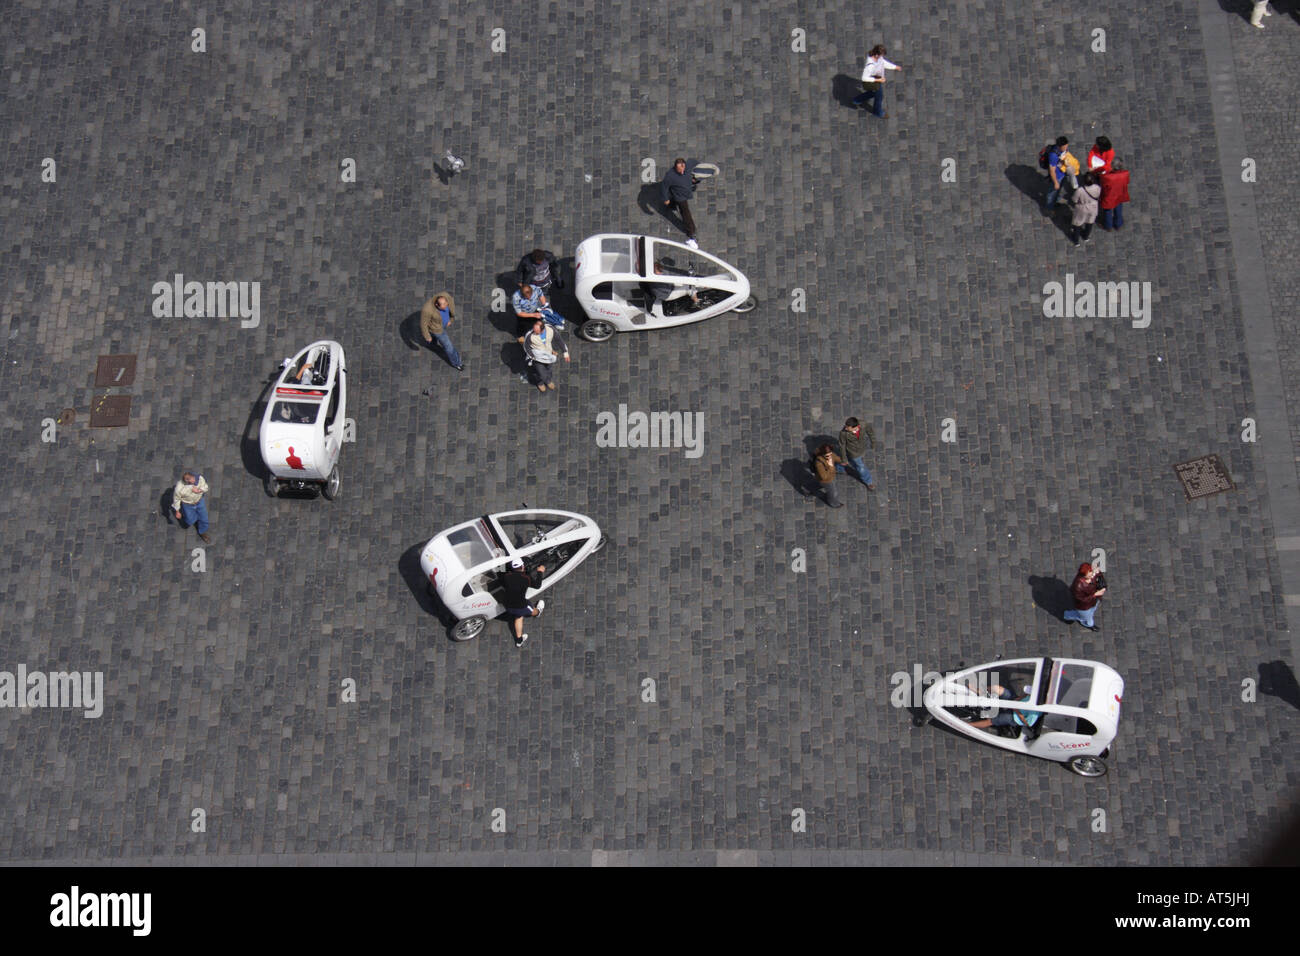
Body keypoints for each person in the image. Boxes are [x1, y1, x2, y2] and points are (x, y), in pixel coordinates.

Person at [501, 558, 546, 648]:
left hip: (507, 604)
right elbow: (537, 585)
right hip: (521, 606)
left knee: (519, 618)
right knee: (530, 611)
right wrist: (540, 572)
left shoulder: (507, 576)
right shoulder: (526, 578)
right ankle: (538, 612)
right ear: (522, 566)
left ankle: (519, 641)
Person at [964, 683, 1043, 734]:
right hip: (1015, 703)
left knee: (991, 721)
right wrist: (1016, 700)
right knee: (996, 688)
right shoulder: (1034, 694)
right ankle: (977, 690)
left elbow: (1027, 723)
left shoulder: (1035, 713)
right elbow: (1024, 696)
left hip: (1014, 717)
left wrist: (1015, 708)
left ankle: (967, 725)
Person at [518, 319, 570, 393]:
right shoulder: (530, 336)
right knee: (540, 373)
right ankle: (540, 383)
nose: (534, 331)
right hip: (537, 358)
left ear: (543, 329)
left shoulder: (550, 329)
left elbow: (559, 340)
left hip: (549, 355)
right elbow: (527, 348)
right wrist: (533, 357)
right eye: (534, 329)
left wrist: (565, 352)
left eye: (536, 331)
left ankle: (548, 381)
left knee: (549, 369)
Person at [659, 157, 701, 248]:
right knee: (686, 213)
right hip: (679, 197)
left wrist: (696, 178)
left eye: (683, 169)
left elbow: (696, 163)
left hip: (684, 192)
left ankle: (672, 205)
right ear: (675, 168)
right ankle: (691, 231)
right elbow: (664, 187)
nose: (682, 172)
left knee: (681, 209)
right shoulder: (670, 176)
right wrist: (665, 198)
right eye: (679, 171)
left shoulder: (688, 166)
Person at [852, 44, 903, 117]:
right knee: (879, 96)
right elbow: (864, 78)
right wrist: (878, 80)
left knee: (873, 93)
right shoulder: (870, 65)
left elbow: (883, 63)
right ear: (876, 55)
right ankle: (877, 112)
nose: (882, 57)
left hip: (877, 79)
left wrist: (894, 67)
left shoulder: (878, 58)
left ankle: (857, 100)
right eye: (881, 55)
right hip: (875, 81)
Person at [419, 292, 463, 372]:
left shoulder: (447, 298)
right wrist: (427, 336)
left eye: (446, 304)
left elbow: (451, 307)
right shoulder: (427, 310)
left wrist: (450, 319)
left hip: (441, 324)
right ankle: (457, 363)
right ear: (437, 305)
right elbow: (423, 324)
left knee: (432, 340)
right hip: (436, 329)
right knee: (449, 347)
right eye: (444, 306)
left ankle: (432, 343)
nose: (446, 306)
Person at [837, 416, 877, 490]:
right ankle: (869, 482)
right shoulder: (843, 433)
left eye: (847, 427)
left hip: (861, 448)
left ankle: (839, 468)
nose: (845, 428)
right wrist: (844, 458)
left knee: (850, 462)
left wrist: (873, 442)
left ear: (855, 427)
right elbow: (842, 446)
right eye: (845, 426)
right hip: (853, 452)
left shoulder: (863, 425)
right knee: (861, 467)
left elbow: (870, 432)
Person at [1063, 562, 1107, 630]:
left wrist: (1098, 573)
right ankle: (1088, 624)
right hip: (1084, 607)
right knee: (1084, 617)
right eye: (1089, 575)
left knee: (1092, 611)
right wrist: (1095, 595)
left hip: (1093, 601)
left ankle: (1068, 615)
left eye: (1092, 573)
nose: (1092, 576)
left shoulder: (1092, 574)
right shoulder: (1078, 586)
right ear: (1083, 575)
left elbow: (1099, 577)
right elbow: (1083, 599)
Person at [172, 471, 212, 543]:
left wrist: (200, 490)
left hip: (199, 502)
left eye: (194, 478)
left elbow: (206, 487)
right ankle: (193, 519)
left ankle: (202, 532)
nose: (194, 481)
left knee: (204, 519)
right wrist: (177, 511)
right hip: (188, 505)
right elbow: (176, 499)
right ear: (186, 481)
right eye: (191, 480)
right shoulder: (179, 488)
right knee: (189, 520)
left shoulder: (199, 479)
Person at [1069, 171, 1102, 246]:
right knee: (1090, 222)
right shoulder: (1097, 187)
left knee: (1077, 224)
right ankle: (1086, 236)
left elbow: (1074, 200)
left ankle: (1076, 240)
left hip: (1082, 208)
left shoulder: (1080, 190)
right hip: (1093, 207)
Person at [1099, 160, 1131, 231]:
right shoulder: (1125, 174)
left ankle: (1108, 226)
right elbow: (1127, 181)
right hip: (1120, 194)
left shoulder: (1107, 177)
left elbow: (1103, 183)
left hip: (1110, 196)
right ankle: (1118, 224)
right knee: (1118, 208)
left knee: (1108, 211)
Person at [1044, 136, 1072, 210]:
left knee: (1058, 190)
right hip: (1057, 176)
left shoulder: (1063, 150)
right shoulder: (1053, 156)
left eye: (1067, 146)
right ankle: (1049, 208)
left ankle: (1056, 200)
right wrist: (1056, 182)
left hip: (1063, 173)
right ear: (1059, 147)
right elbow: (1052, 170)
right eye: (1065, 147)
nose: (1066, 148)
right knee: (1052, 193)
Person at [812, 444, 844, 508]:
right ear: (823, 454)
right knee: (833, 493)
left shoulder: (829, 454)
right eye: (828, 455)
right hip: (826, 480)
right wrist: (831, 467)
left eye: (831, 453)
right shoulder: (819, 463)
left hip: (828, 477)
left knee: (821, 485)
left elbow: (834, 457)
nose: (830, 455)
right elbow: (824, 477)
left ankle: (814, 488)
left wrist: (841, 461)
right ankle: (834, 503)